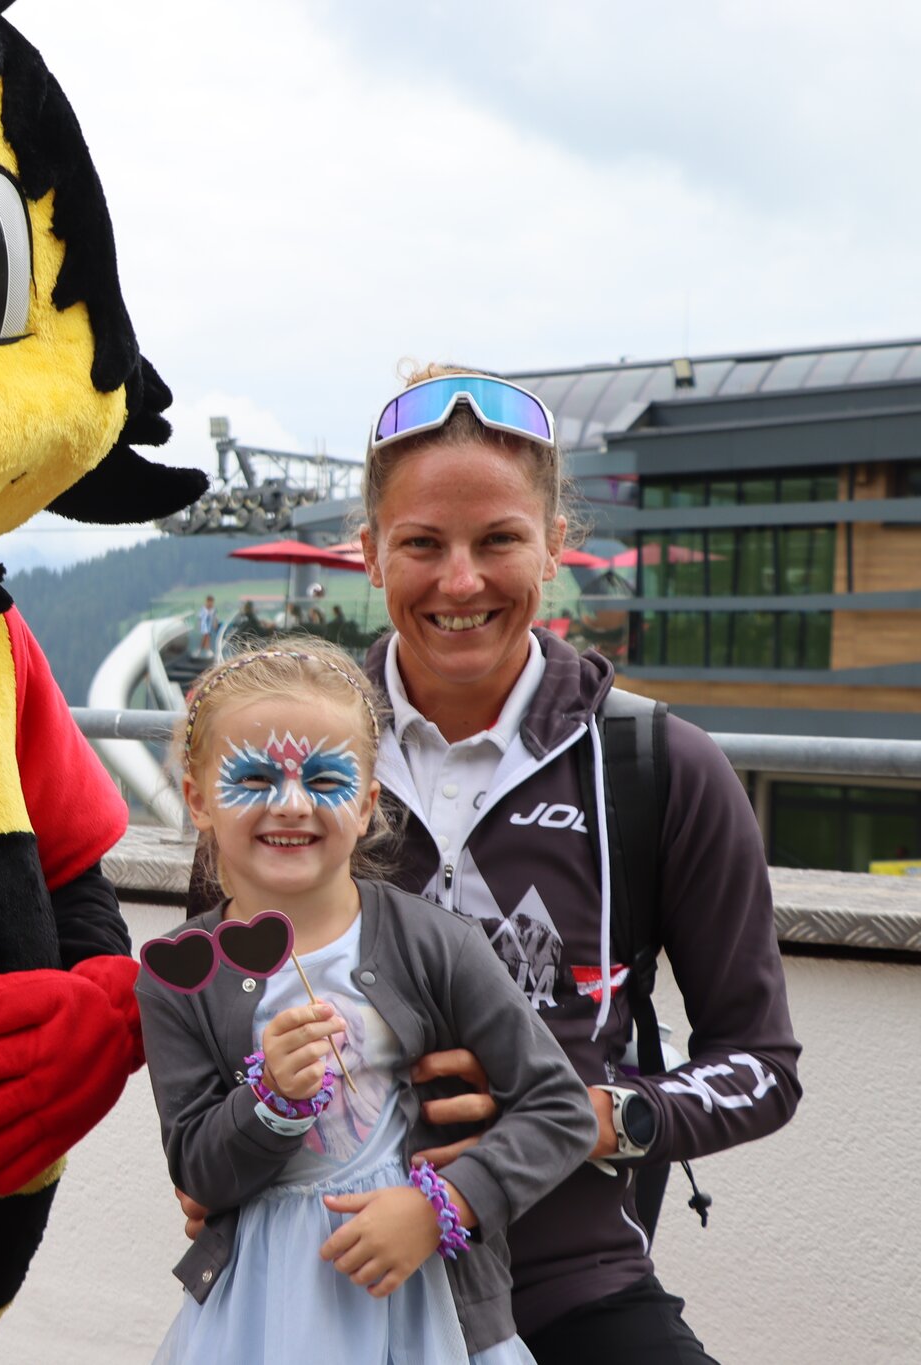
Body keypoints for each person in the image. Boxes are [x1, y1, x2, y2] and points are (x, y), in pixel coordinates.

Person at [178, 368, 802, 1363]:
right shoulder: (286, 764)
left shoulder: (656, 766)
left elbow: (762, 1068)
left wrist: (592, 1117)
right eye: (422, 543)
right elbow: (210, 1032)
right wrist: (223, 1140)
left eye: (498, 541)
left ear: (554, 544)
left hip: (571, 1279)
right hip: (321, 1287)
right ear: (369, 553)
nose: (460, 581)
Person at [141, 643, 594, 1364]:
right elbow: (198, 1172)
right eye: (253, 778)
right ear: (198, 800)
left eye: (325, 778)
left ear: (365, 803)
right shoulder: (180, 974)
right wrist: (271, 1102)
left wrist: (442, 1205)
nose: (292, 803)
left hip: (423, 1301)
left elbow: (561, 1110)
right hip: (255, 1311)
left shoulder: (439, 945)